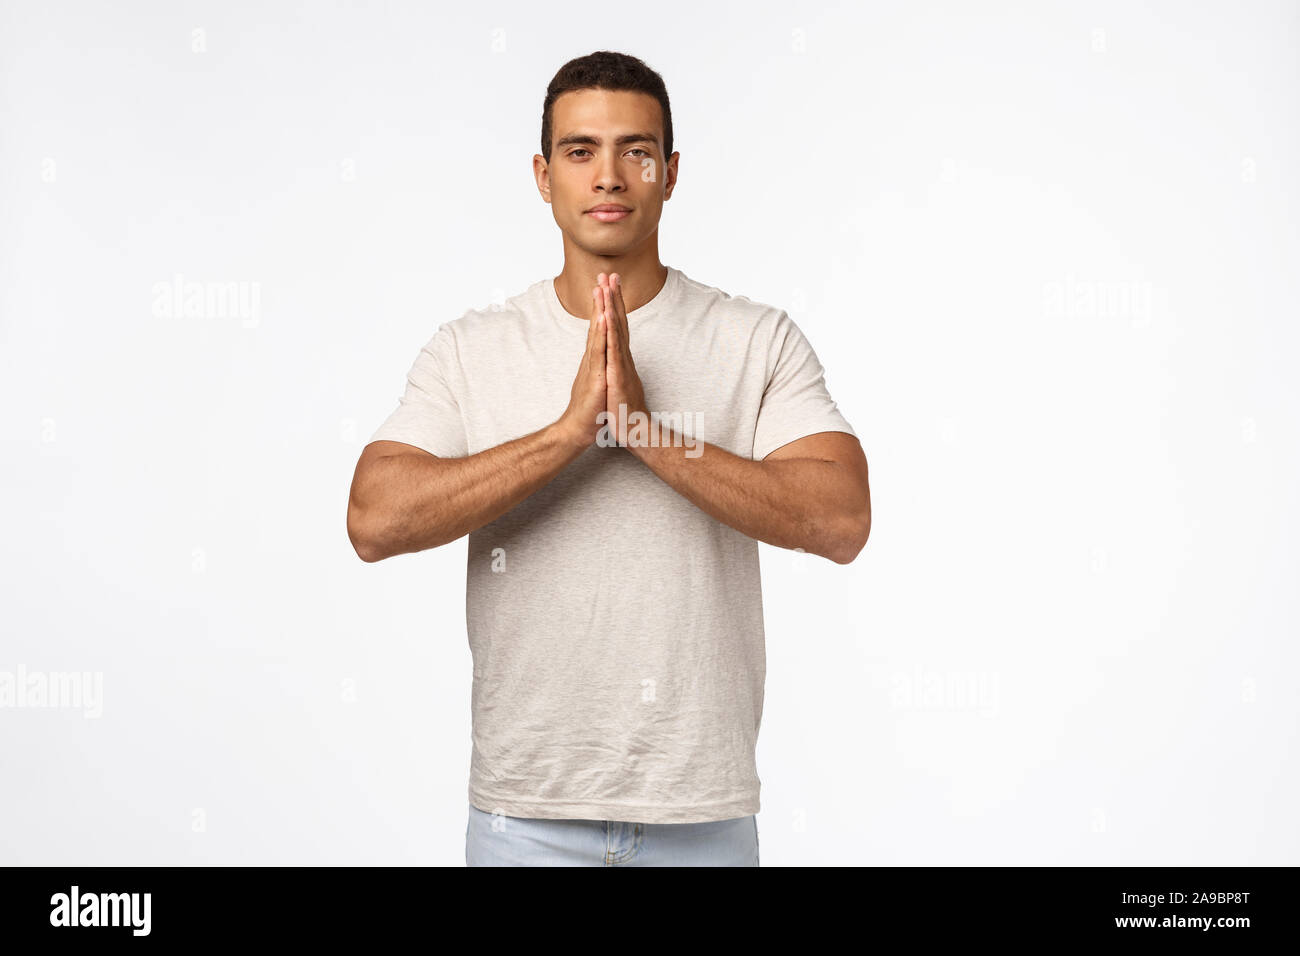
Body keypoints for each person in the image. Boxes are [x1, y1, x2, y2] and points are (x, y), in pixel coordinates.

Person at [346, 50, 870, 866]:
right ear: (543, 175)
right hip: (524, 819)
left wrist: (647, 433)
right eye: (580, 150)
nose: (609, 176)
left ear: (670, 173)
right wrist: (569, 433)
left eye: (636, 151)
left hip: (700, 819)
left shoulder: (755, 338)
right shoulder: (470, 348)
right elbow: (374, 520)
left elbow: (841, 519)